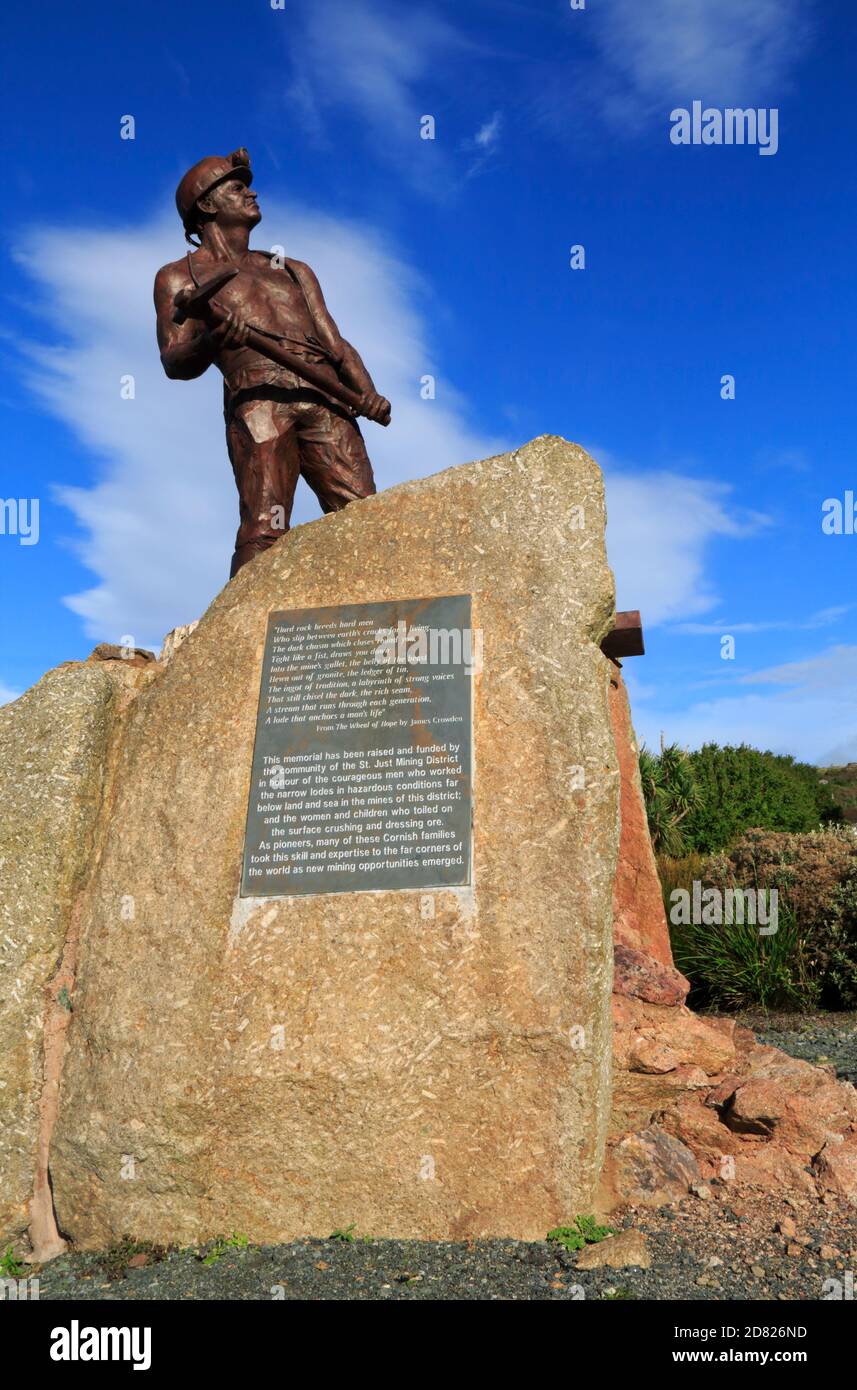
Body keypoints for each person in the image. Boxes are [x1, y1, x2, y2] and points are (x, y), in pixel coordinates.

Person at [154, 148, 391, 577]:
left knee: (365, 517)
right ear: (207, 204)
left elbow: (336, 343)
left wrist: (367, 391)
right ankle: (240, 637)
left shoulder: (293, 270)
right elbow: (174, 360)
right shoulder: (177, 276)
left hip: (325, 397)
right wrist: (211, 340)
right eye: (238, 187)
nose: (252, 193)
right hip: (258, 400)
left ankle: (377, 620)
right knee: (265, 529)